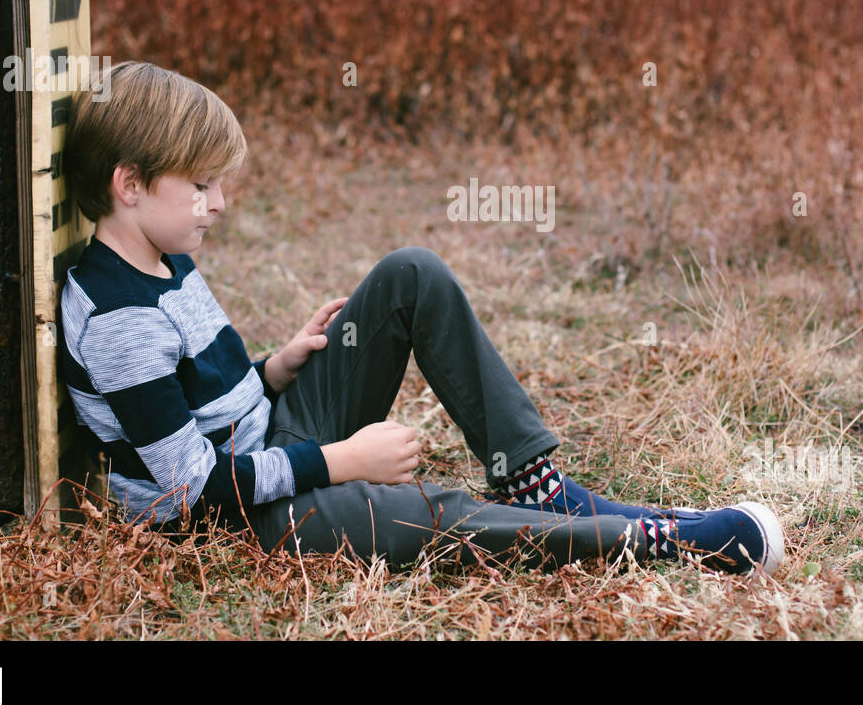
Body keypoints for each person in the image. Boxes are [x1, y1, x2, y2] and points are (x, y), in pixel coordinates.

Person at [59, 61, 784, 577]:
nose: (219, 204)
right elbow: (193, 485)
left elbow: (197, 404)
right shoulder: (120, 320)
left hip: (266, 447)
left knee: (412, 274)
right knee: (427, 513)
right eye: (203, 185)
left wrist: (274, 370)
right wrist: (343, 462)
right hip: (237, 518)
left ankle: (532, 480)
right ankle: (657, 542)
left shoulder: (162, 254)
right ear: (130, 185)